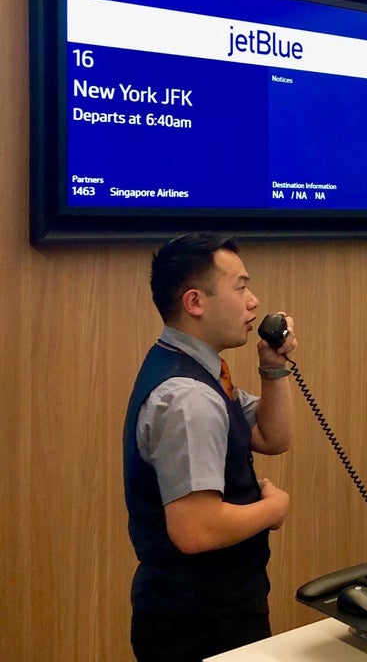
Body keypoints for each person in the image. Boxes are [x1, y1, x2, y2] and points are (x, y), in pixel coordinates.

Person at [123, 233, 297, 662]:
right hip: (200, 623)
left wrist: (273, 370)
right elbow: (196, 530)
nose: (254, 301)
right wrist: (273, 509)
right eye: (240, 287)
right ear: (196, 302)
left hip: (213, 608)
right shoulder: (189, 397)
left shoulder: (200, 372)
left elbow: (271, 438)